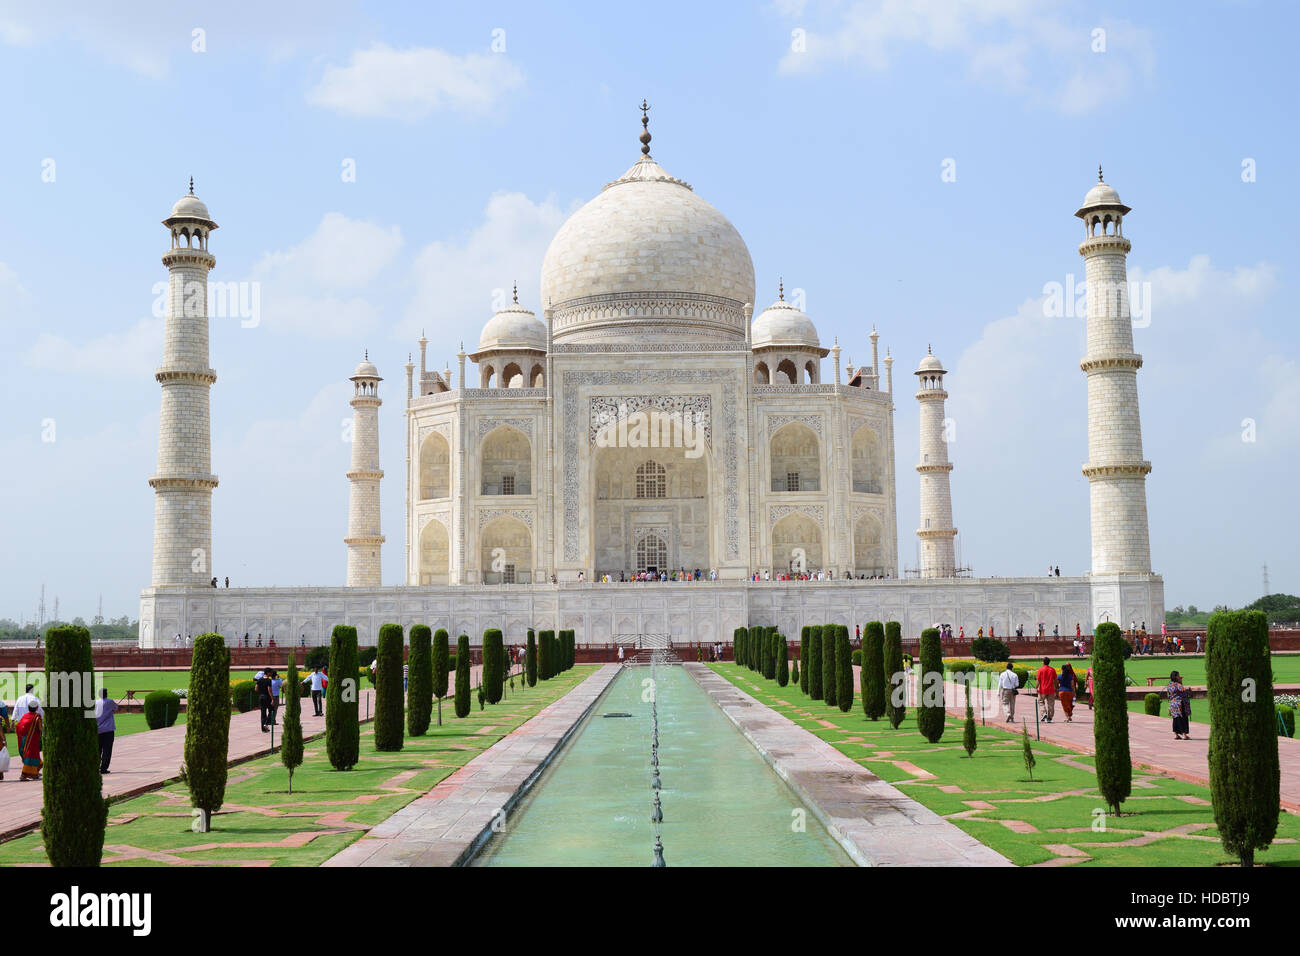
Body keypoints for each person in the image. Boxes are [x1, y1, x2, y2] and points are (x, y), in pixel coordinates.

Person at [16, 702, 42, 781]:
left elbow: (19, 726)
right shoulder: (37, 717)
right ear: (36, 708)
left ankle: (34, 774)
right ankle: (23, 775)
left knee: (32, 756)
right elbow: (40, 728)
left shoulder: (25, 716)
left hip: (25, 739)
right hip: (32, 740)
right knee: (31, 757)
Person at [95, 688, 119, 773]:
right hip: (108, 730)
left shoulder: (96, 702)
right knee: (107, 750)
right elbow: (116, 708)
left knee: (98, 749)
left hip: (98, 730)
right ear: (106, 694)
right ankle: (103, 768)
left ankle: (95, 767)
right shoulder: (109, 701)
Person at [1168, 671, 1192, 739]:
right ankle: (1184, 735)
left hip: (1173, 704)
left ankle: (1176, 735)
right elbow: (1184, 689)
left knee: (1176, 719)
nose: (1179, 677)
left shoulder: (1170, 684)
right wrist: (1191, 688)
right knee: (1183, 718)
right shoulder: (1177, 685)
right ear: (1175, 677)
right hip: (1179, 704)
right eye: (1178, 676)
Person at [1036, 657, 1058, 722]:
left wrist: (1036, 687)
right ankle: (1049, 718)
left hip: (1042, 689)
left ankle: (1044, 713)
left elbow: (1038, 680)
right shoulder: (1052, 670)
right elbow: (1055, 680)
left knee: (1041, 702)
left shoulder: (1040, 670)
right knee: (1051, 704)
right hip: (1051, 689)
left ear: (1043, 662)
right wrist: (1056, 688)